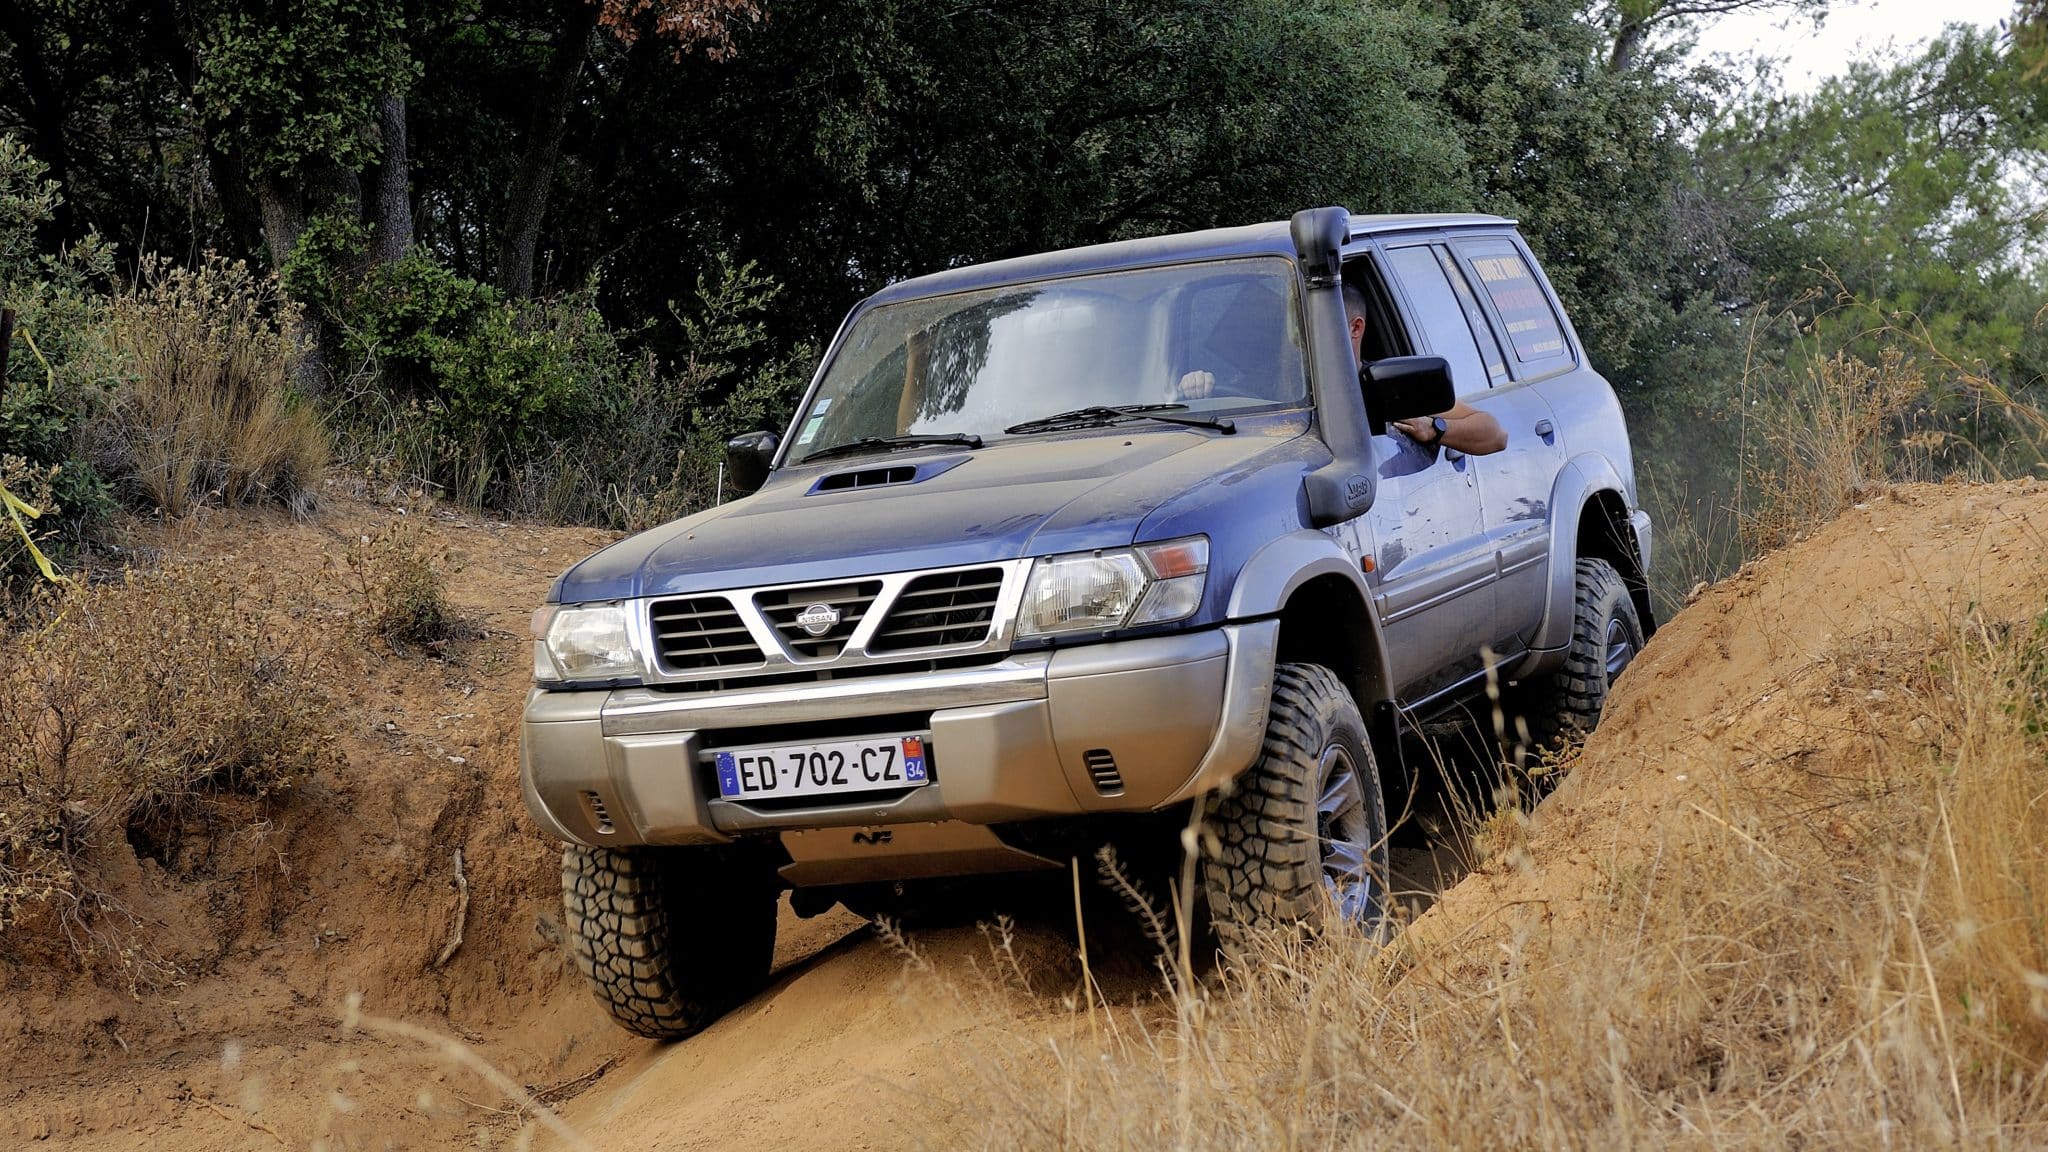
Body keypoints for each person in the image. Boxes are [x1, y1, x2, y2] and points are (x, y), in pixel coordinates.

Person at [1342, 282, 1505, 456]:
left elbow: (1495, 435)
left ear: (1355, 328)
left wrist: (1434, 429)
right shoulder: (1309, 398)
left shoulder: (1388, 385)